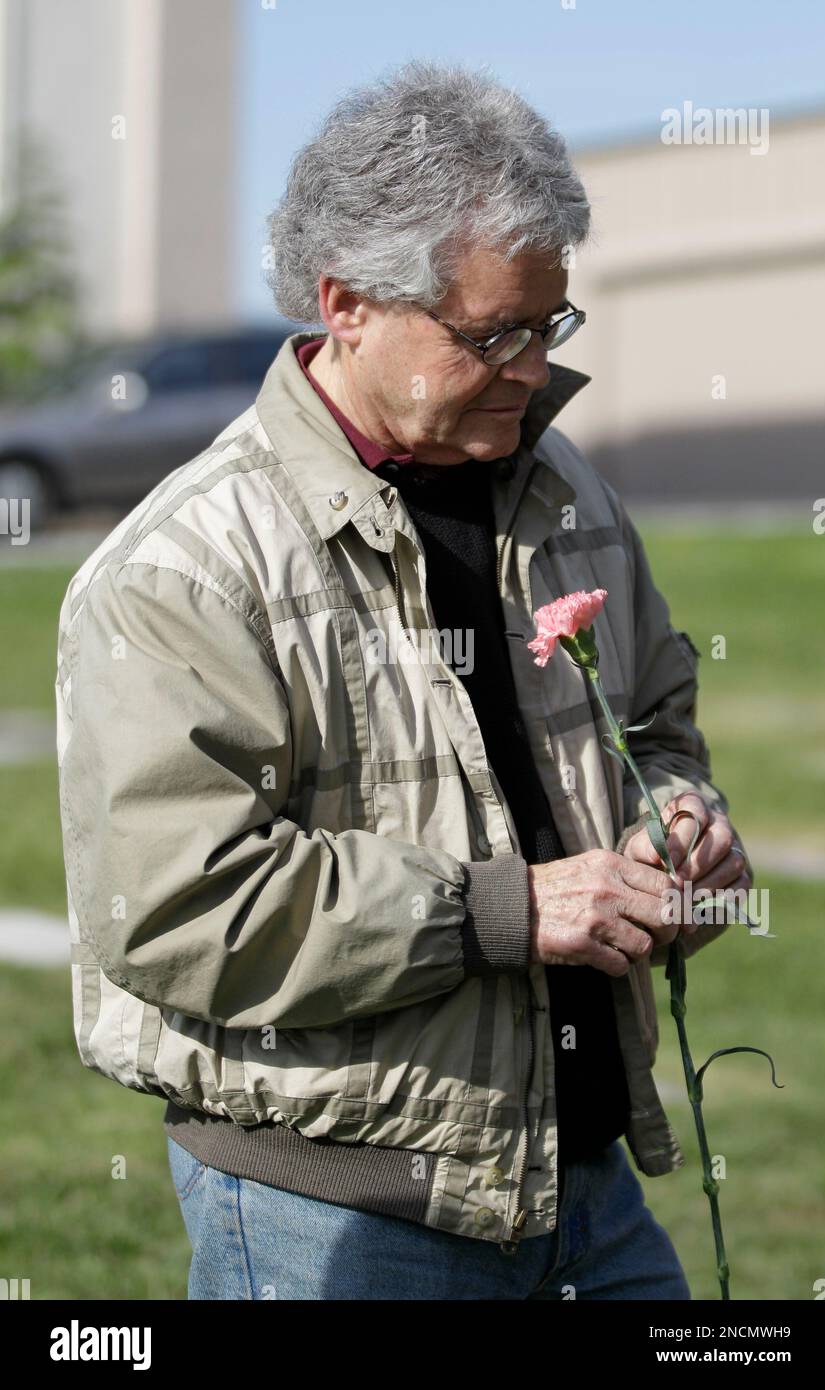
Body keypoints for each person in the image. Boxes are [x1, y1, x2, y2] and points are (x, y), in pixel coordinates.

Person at [56, 59, 753, 1300]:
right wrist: (504, 908)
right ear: (348, 304)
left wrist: (678, 816)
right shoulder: (186, 568)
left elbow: (653, 722)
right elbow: (175, 908)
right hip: (344, 1208)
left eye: (551, 326)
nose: (534, 367)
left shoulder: (566, 490)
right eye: (493, 335)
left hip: (586, 1187)